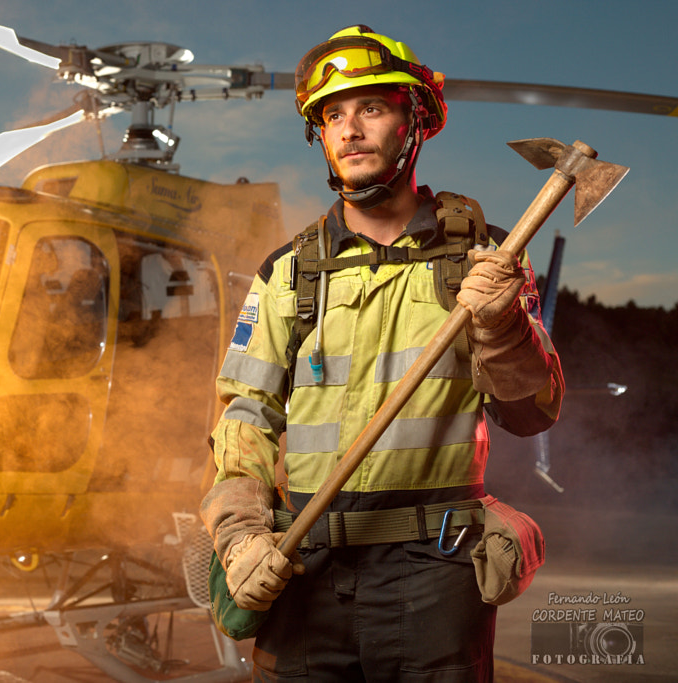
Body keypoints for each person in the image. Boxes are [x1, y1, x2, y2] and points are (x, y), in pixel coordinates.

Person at [200, 25, 563, 682]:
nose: (350, 129)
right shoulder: (288, 273)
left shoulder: (487, 260)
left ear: (415, 119)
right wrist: (241, 535)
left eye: (371, 107)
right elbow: (244, 420)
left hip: (438, 576)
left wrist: (503, 325)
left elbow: (531, 412)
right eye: (332, 115)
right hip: (305, 566)